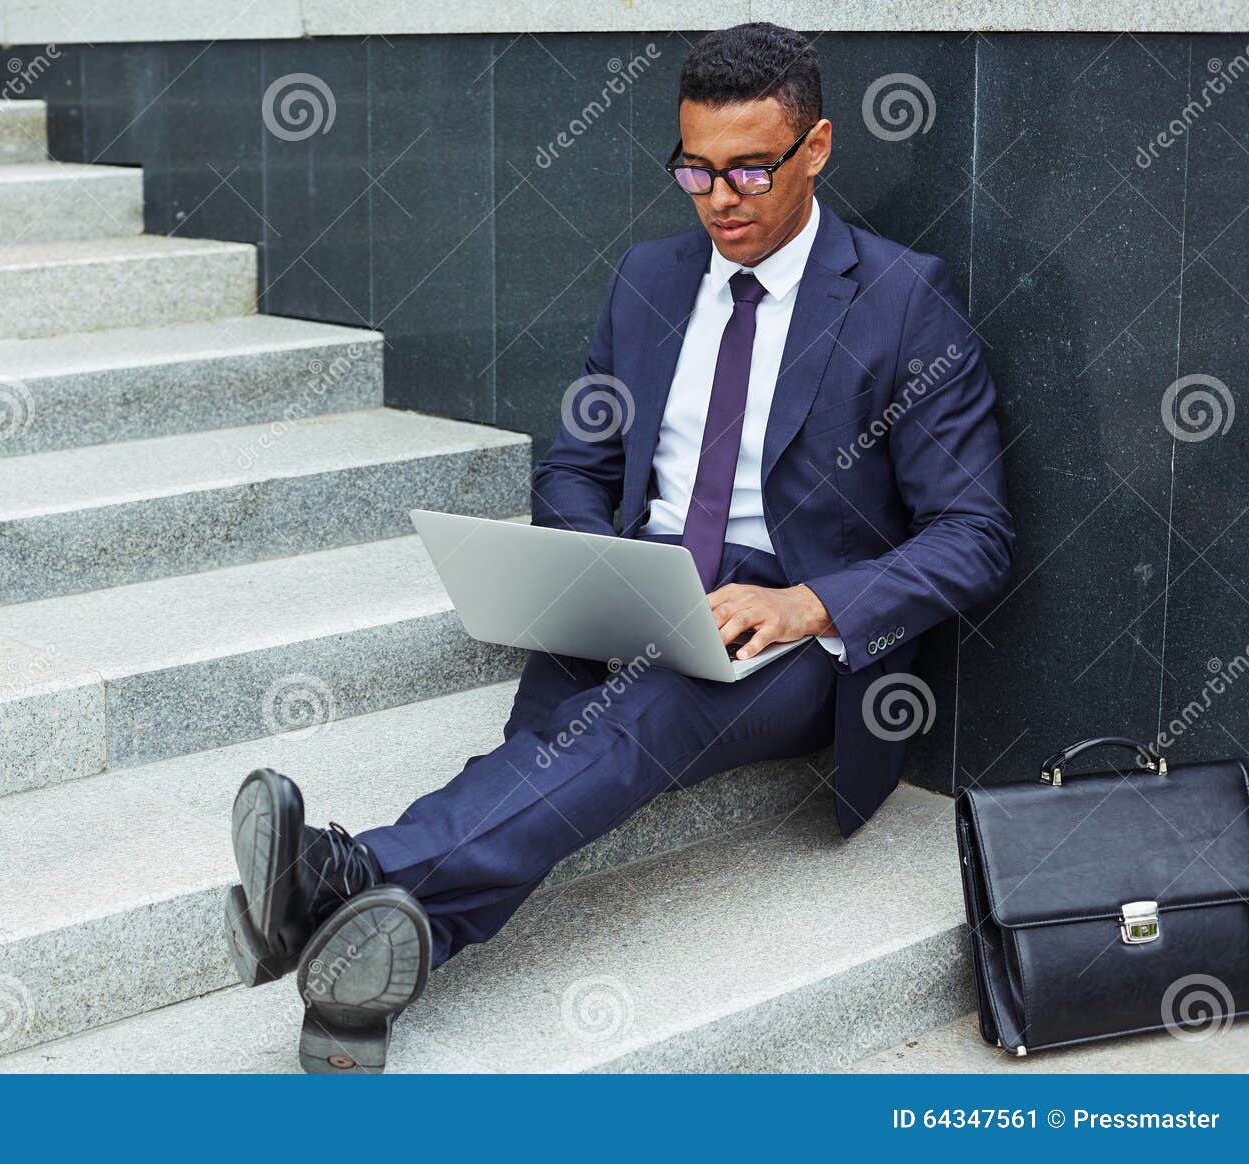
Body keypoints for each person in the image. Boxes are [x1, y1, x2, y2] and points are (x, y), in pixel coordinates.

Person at [222, 21, 1015, 1074]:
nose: (719, 199)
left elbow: (974, 536)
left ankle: (340, 872)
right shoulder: (648, 277)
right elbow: (576, 465)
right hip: (639, 580)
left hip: (798, 634)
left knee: (626, 719)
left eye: (748, 169)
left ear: (815, 147)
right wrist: (593, 564)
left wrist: (808, 606)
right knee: (548, 757)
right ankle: (373, 970)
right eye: (694, 168)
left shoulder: (902, 299)